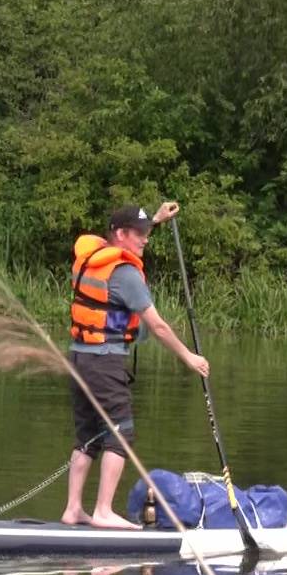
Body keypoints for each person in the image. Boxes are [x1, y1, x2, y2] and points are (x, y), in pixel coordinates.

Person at [63, 202, 211, 529]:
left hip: (79, 358)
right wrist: (189, 357)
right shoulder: (126, 274)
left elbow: (125, 245)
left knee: (87, 436)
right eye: (139, 233)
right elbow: (157, 326)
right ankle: (102, 511)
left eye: (147, 232)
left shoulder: (91, 259)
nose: (145, 239)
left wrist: (155, 220)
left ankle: (73, 509)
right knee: (121, 433)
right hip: (104, 362)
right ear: (120, 233)